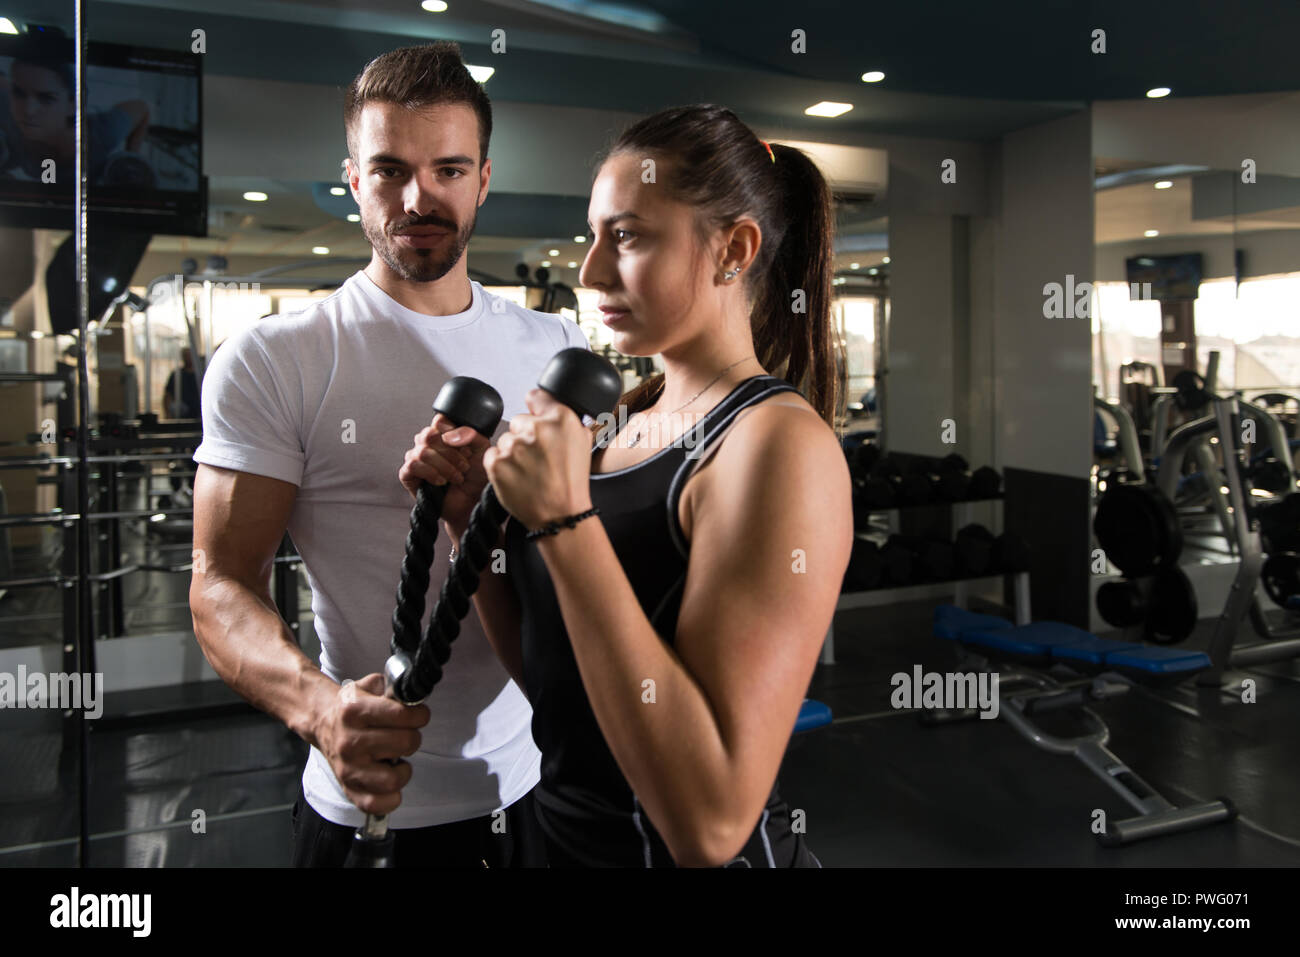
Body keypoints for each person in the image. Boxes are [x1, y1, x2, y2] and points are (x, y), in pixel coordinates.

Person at [401, 105, 853, 866]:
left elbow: (710, 824)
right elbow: (562, 685)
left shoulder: (775, 445)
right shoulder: (620, 416)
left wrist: (565, 522)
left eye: (629, 235)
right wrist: (466, 520)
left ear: (734, 249)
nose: (590, 270)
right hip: (559, 842)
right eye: (593, 234)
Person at [190, 42, 587, 867]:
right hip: (373, 811)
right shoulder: (278, 359)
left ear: (483, 179)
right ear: (352, 180)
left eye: (448, 169)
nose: (418, 197)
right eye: (389, 170)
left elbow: (573, 557)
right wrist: (322, 710)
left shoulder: (556, 344)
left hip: (536, 788)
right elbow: (221, 583)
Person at [163, 347, 200, 419]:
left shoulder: (200, 374)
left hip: (198, 413)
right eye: (185, 355)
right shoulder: (177, 375)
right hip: (181, 414)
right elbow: (168, 395)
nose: (188, 357)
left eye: (189, 355)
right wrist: (167, 413)